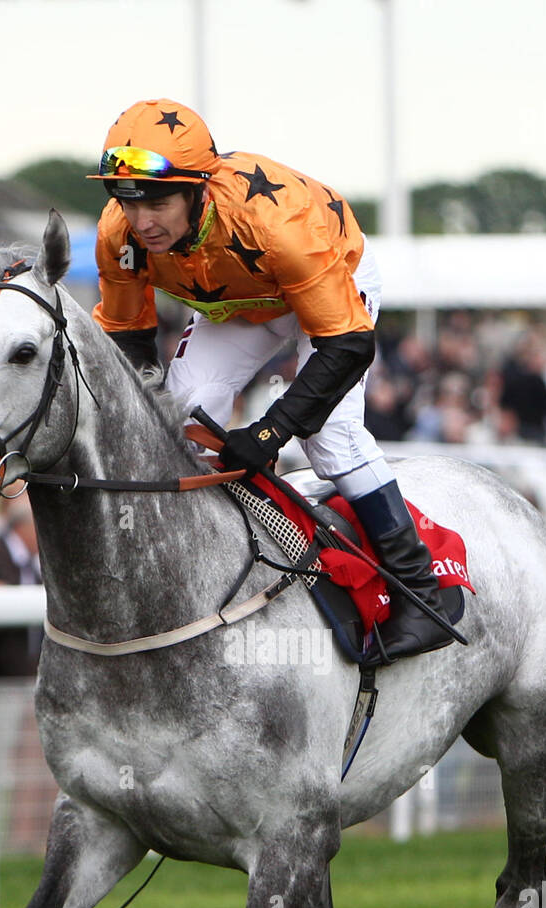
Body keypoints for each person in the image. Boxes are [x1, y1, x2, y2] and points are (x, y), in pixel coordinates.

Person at [88, 98, 455, 662]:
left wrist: (269, 433)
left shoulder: (278, 222)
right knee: (179, 414)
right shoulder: (120, 233)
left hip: (330, 282)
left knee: (328, 438)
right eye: (127, 201)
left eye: (158, 202)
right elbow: (129, 339)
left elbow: (348, 345)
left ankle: (422, 593)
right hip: (241, 297)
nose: (141, 223)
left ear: (198, 189)